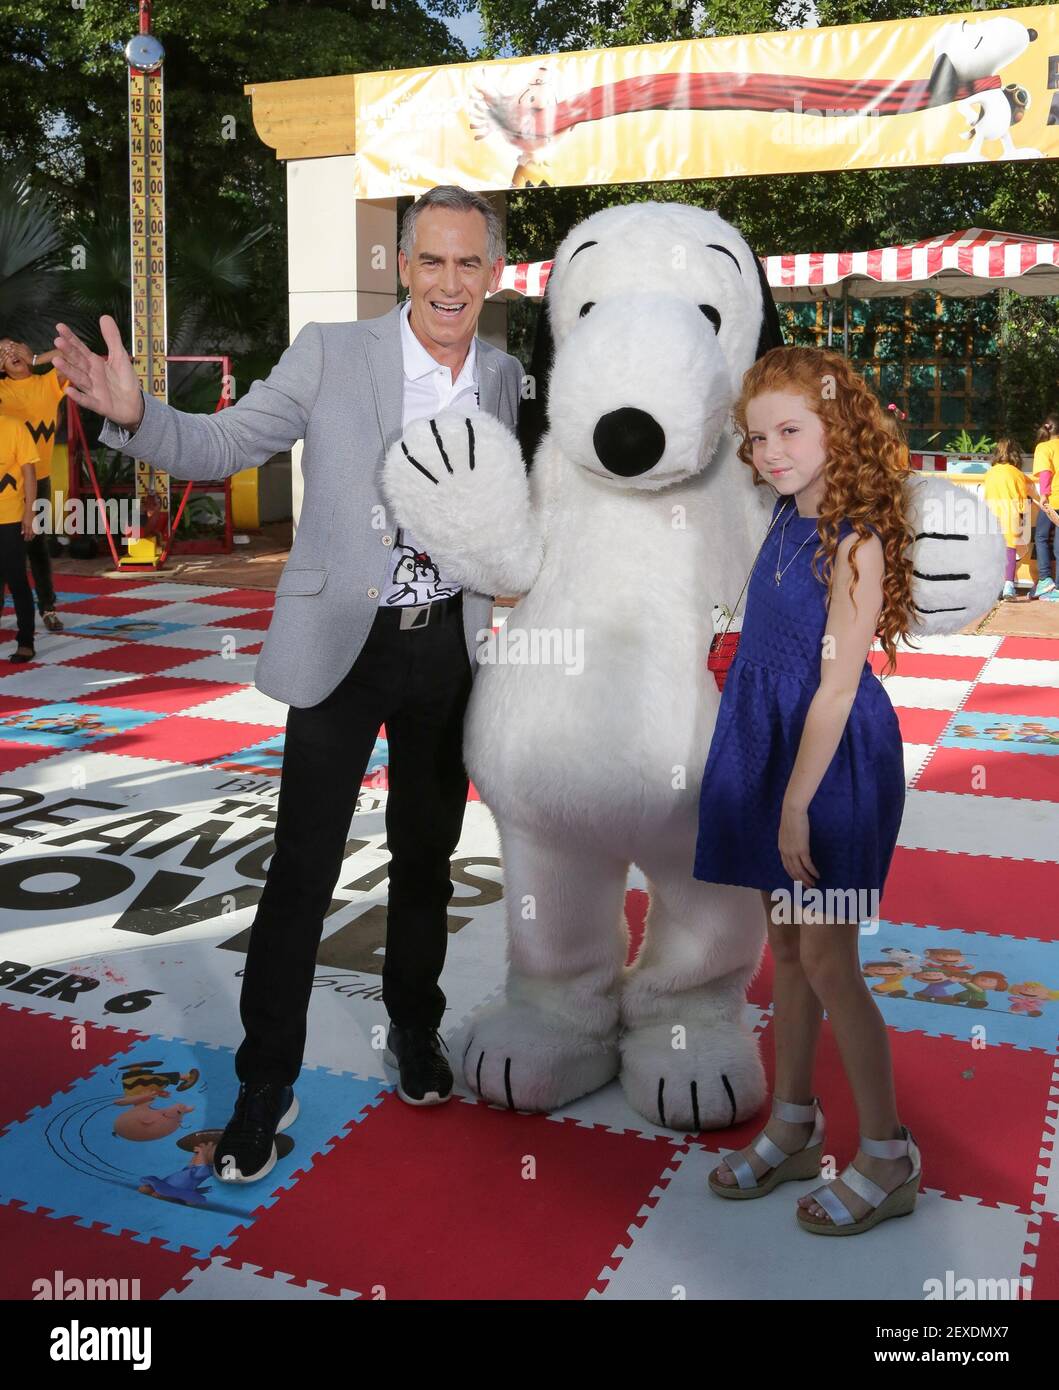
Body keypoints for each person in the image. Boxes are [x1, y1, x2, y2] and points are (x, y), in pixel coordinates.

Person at [52, 185, 523, 1183]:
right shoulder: (332, 351)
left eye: (467, 263)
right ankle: (267, 1080)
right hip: (340, 645)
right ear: (402, 266)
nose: (449, 281)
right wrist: (140, 417)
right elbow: (228, 444)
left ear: (493, 272)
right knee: (302, 870)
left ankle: (415, 1031)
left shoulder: (504, 374)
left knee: (427, 855)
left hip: (448, 649)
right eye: (431, 261)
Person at [695, 345, 921, 1236]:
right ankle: (793, 1123)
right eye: (756, 438)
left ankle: (888, 1154)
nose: (772, 451)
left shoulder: (855, 536)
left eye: (790, 430)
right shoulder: (783, 517)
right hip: (771, 747)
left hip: (831, 766)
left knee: (831, 960)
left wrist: (794, 800)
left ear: (839, 426)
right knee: (784, 951)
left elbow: (833, 686)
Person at [0, 338, 68, 632]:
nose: (10, 353)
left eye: (14, 347)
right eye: (2, 353)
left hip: (36, 480)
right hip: (5, 485)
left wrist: (38, 357)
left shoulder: (48, 383)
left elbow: (74, 355)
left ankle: (48, 607)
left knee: (36, 544)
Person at [0, 411, 39, 662]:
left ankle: (26, 640)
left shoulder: (14, 426)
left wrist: (30, 512)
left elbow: (29, 472)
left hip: (11, 516)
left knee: (16, 578)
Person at [982, 438, 1031, 599]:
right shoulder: (1017, 474)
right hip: (1011, 513)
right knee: (1010, 549)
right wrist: (1023, 515)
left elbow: (987, 495)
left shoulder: (990, 473)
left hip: (992, 513)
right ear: (1015, 454)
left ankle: (993, 586)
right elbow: (1022, 498)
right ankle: (1009, 585)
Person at [1030, 412, 1059, 598]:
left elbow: (1046, 473)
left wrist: (1044, 495)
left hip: (1053, 500)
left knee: (1040, 536)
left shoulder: (1044, 447)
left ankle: (1045, 579)